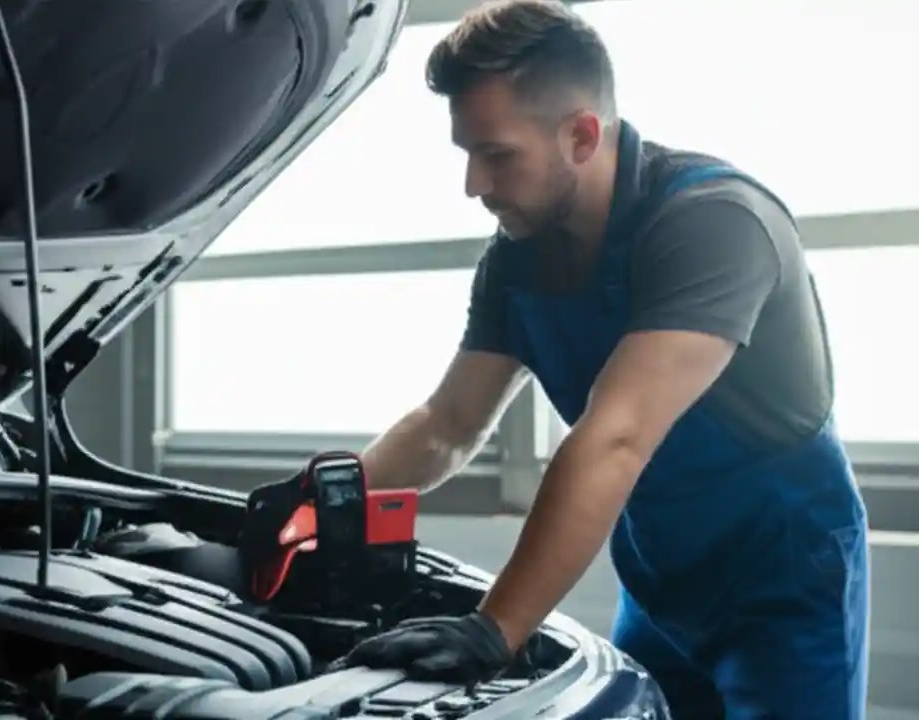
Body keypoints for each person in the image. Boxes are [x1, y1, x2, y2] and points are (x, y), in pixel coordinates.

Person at [333, 1, 870, 718]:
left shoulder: (714, 224)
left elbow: (617, 436)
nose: (474, 184)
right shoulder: (517, 260)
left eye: (497, 155)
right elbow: (447, 424)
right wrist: (323, 501)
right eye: (467, 154)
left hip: (786, 578)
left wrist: (496, 628)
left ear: (582, 135)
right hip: (660, 579)